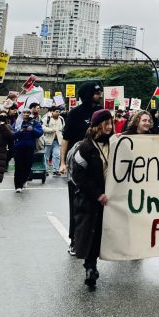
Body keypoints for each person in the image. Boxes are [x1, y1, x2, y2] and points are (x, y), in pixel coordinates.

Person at [69, 109, 116, 288]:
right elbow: (79, 175)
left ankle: (92, 265)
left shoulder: (115, 143)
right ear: (97, 126)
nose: (109, 127)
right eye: (106, 124)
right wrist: (97, 194)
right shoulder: (85, 147)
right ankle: (90, 267)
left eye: (111, 124)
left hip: (110, 198)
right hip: (91, 200)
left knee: (102, 235)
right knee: (91, 233)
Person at [61, 82, 104, 257]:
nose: (100, 95)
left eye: (101, 92)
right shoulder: (75, 114)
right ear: (87, 94)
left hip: (98, 166)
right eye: (96, 93)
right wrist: (63, 162)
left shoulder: (101, 113)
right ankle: (74, 240)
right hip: (78, 167)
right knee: (77, 205)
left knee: (98, 206)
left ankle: (95, 242)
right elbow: (66, 139)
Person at [9, 108, 43, 193]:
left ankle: (24, 180)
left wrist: (32, 129)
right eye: (24, 112)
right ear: (21, 113)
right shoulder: (17, 122)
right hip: (18, 147)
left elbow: (40, 133)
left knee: (28, 166)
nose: (26, 114)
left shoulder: (34, 122)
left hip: (30, 148)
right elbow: (12, 134)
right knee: (18, 167)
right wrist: (21, 131)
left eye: (28, 113)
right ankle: (18, 186)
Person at [41, 105, 64, 174]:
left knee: (57, 155)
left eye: (59, 112)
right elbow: (42, 127)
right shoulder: (46, 118)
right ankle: (45, 170)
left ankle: (56, 170)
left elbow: (63, 128)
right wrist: (51, 130)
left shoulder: (61, 119)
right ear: (52, 112)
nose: (58, 113)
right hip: (48, 140)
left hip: (58, 141)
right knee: (46, 156)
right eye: (56, 111)